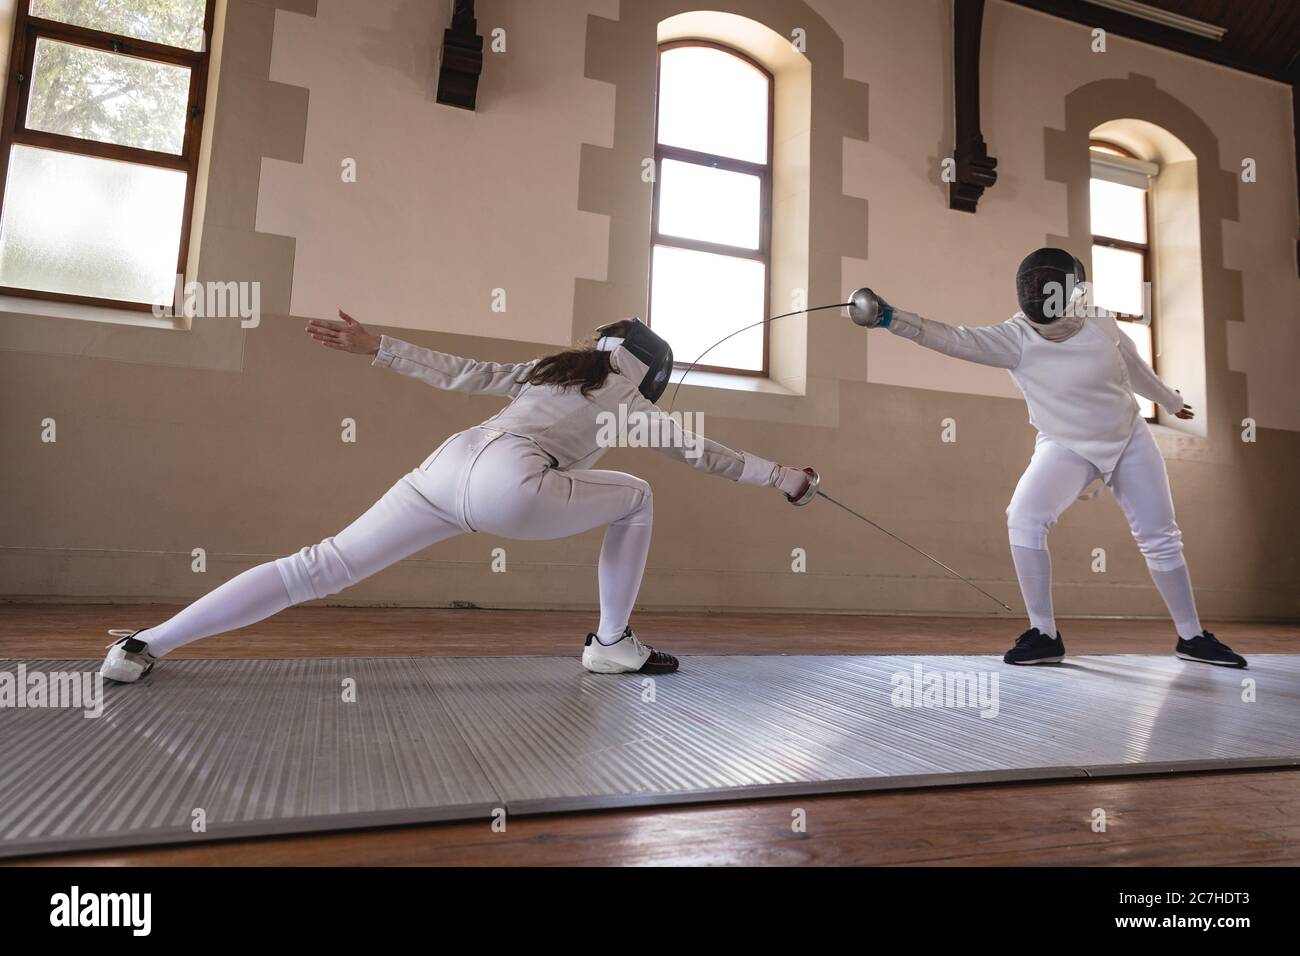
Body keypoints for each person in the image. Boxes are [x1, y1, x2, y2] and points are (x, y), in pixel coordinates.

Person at [100, 312, 814, 682]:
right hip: (512, 482)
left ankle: (145, 644)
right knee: (638, 496)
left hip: (445, 468)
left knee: (315, 567)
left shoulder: (549, 370)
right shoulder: (627, 395)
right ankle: (611, 644)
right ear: (650, 371)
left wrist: (376, 344)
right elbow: (703, 452)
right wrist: (782, 476)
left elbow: (463, 372)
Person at [847, 247, 1246, 668]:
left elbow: (1134, 367)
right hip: (1064, 444)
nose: (1041, 293)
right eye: (1035, 287)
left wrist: (1170, 400)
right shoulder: (1014, 339)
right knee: (1024, 517)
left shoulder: (1101, 324)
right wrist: (892, 319)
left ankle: (1191, 637)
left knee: (1160, 536)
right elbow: (952, 337)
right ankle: (1044, 633)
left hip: (1128, 438)